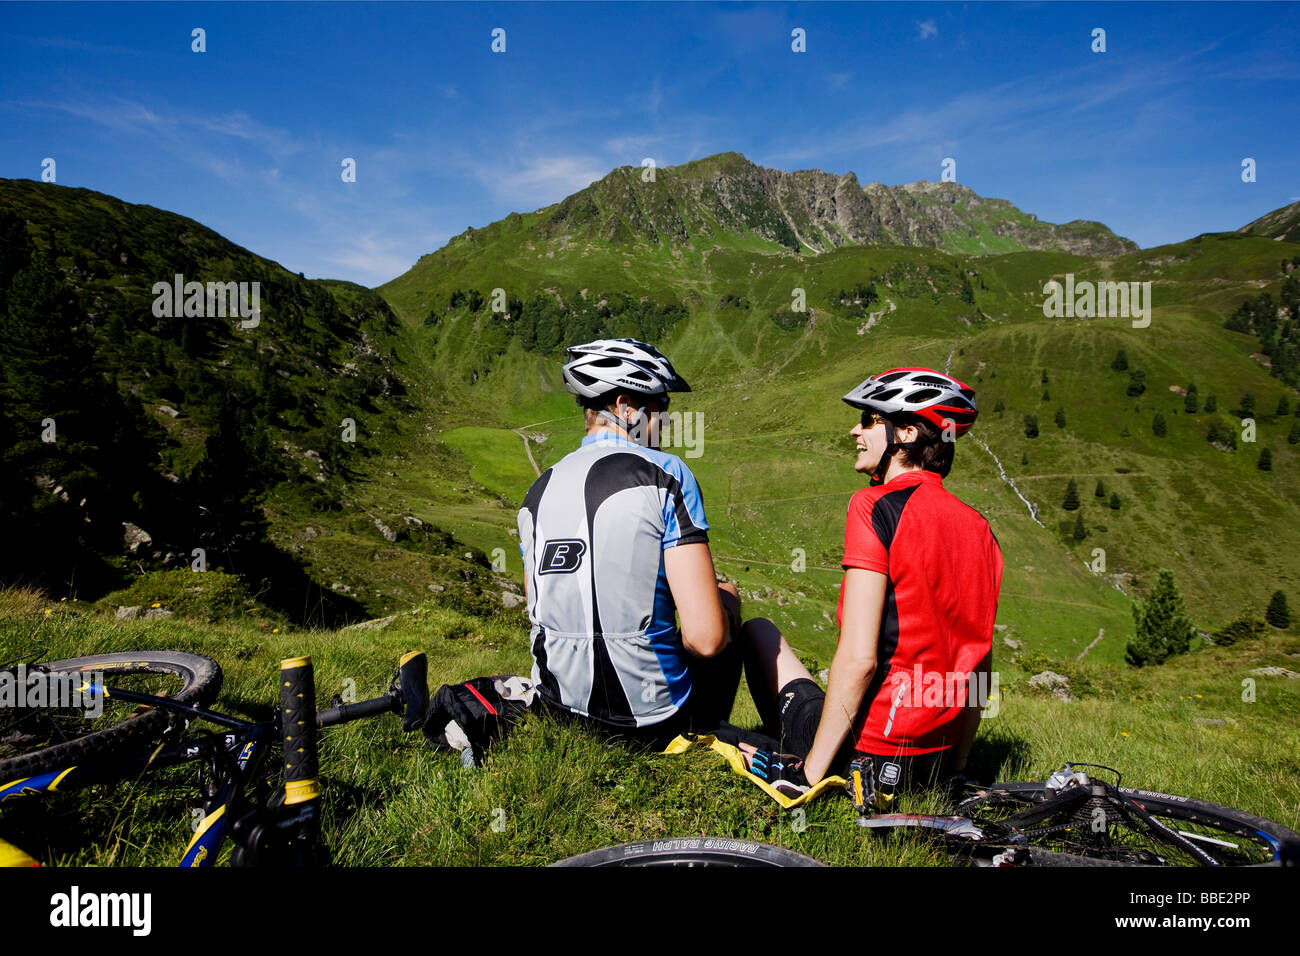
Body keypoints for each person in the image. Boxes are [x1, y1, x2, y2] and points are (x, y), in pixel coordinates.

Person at [739, 367, 1003, 800]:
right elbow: (979, 664)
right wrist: (957, 767)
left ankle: (802, 754)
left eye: (869, 420)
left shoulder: (874, 506)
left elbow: (860, 659)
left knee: (758, 632)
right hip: (934, 760)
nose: (854, 430)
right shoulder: (980, 528)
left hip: (871, 757)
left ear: (906, 435)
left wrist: (810, 775)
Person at [517, 338, 742, 748]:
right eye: (661, 407)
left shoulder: (537, 490)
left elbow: (541, 610)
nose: (667, 421)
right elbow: (706, 641)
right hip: (648, 725)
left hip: (557, 711)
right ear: (625, 406)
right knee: (726, 599)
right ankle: (704, 730)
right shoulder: (666, 473)